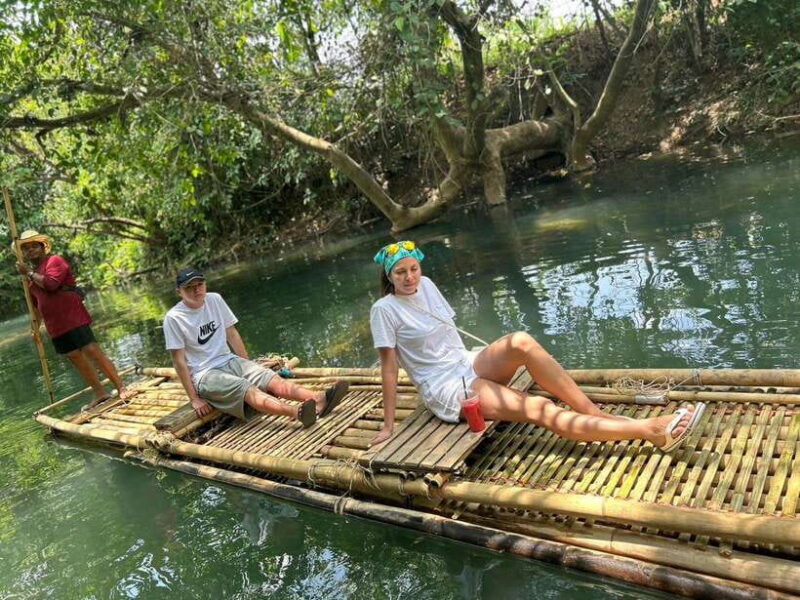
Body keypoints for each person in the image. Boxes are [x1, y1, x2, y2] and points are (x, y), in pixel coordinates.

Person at [368, 240, 705, 448]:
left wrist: (486, 362)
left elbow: (449, 335)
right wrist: (387, 425)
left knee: (522, 341)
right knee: (539, 408)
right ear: (389, 276)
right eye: (400, 272)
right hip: (446, 387)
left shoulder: (426, 285)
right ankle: (650, 431)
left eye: (413, 268)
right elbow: (389, 368)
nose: (410, 277)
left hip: (465, 362)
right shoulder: (384, 310)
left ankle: (593, 412)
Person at [163, 267, 348, 427]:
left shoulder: (215, 299)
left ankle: (318, 398)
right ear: (179, 291)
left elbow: (232, 333)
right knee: (245, 387)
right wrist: (194, 398)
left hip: (230, 360)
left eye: (199, 285)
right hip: (205, 374)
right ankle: (296, 413)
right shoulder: (174, 318)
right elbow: (178, 361)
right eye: (190, 288)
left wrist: (248, 365)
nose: (196, 291)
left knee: (270, 378)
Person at [13, 229, 131, 408]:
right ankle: (100, 392)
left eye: (34, 246)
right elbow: (36, 307)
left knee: (92, 351)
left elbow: (51, 284)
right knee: (74, 356)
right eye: (26, 248)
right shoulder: (28, 280)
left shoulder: (54, 261)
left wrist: (28, 272)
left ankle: (121, 386)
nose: (30, 250)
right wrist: (34, 329)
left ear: (43, 247)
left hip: (72, 316)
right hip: (55, 325)